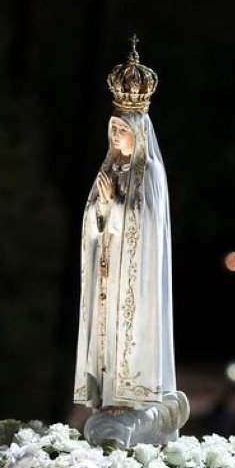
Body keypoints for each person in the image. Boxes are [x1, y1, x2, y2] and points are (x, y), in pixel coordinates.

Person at [74, 39, 184, 446]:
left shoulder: (149, 171)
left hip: (134, 280)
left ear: (137, 132)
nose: (117, 138)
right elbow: (95, 225)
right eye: (114, 130)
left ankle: (135, 401)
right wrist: (102, 208)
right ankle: (110, 399)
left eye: (123, 131)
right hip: (110, 276)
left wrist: (114, 204)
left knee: (131, 336)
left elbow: (145, 225)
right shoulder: (111, 171)